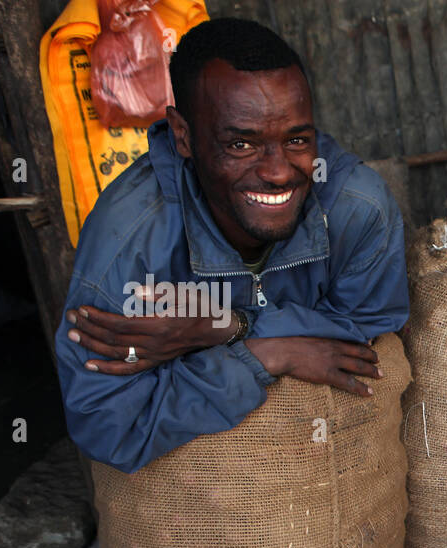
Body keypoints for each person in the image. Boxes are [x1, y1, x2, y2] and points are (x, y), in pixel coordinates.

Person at [56, 18, 409, 472]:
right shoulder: (129, 246)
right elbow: (108, 423)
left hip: (337, 478)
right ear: (183, 136)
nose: (279, 172)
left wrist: (227, 327)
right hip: (204, 514)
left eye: (297, 139)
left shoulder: (355, 207)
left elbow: (372, 332)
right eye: (241, 144)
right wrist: (270, 353)